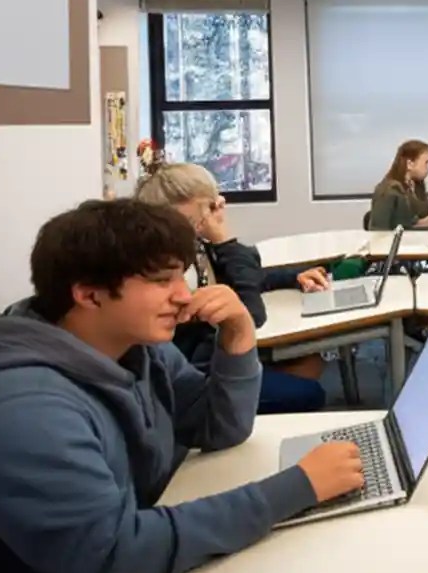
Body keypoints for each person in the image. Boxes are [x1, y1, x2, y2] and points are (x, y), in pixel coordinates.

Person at [0, 199, 367, 573]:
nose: (184, 294)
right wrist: (296, 488)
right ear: (88, 294)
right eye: (161, 280)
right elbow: (114, 559)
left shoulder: (136, 349)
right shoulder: (23, 416)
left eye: (180, 274)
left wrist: (239, 335)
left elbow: (215, 427)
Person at [135, 162, 330, 413]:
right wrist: (223, 239)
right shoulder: (171, 264)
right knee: (310, 392)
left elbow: (242, 277)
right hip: (199, 372)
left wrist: (293, 278)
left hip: (213, 352)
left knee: (309, 361)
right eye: (210, 204)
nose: (220, 207)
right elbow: (251, 314)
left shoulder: (194, 247)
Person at [368, 139, 428, 230]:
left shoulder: (418, 187)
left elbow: (420, 219)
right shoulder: (388, 191)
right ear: (410, 164)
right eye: (426, 163)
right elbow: (378, 231)